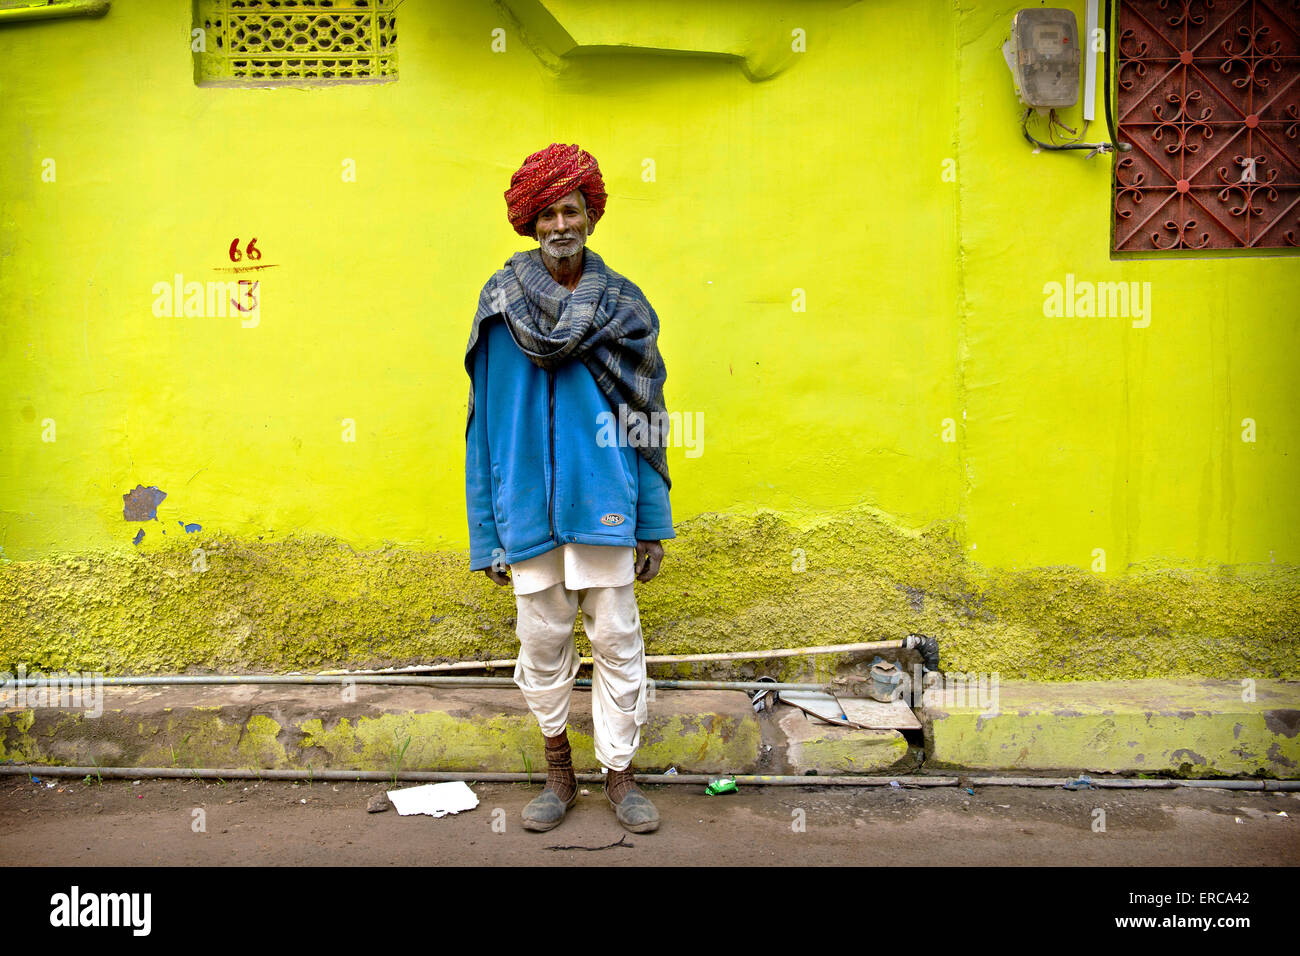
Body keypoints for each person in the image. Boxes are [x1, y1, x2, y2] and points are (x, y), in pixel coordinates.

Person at [463, 143, 674, 833]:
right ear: (529, 222)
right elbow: (483, 428)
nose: (561, 223)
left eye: (572, 209)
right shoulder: (498, 305)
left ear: (590, 216)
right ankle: (560, 773)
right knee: (542, 643)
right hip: (525, 510)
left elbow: (645, 420)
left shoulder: (625, 307)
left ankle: (620, 776)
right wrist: (487, 534)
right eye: (548, 211)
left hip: (605, 508)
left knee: (618, 640)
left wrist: (651, 518)